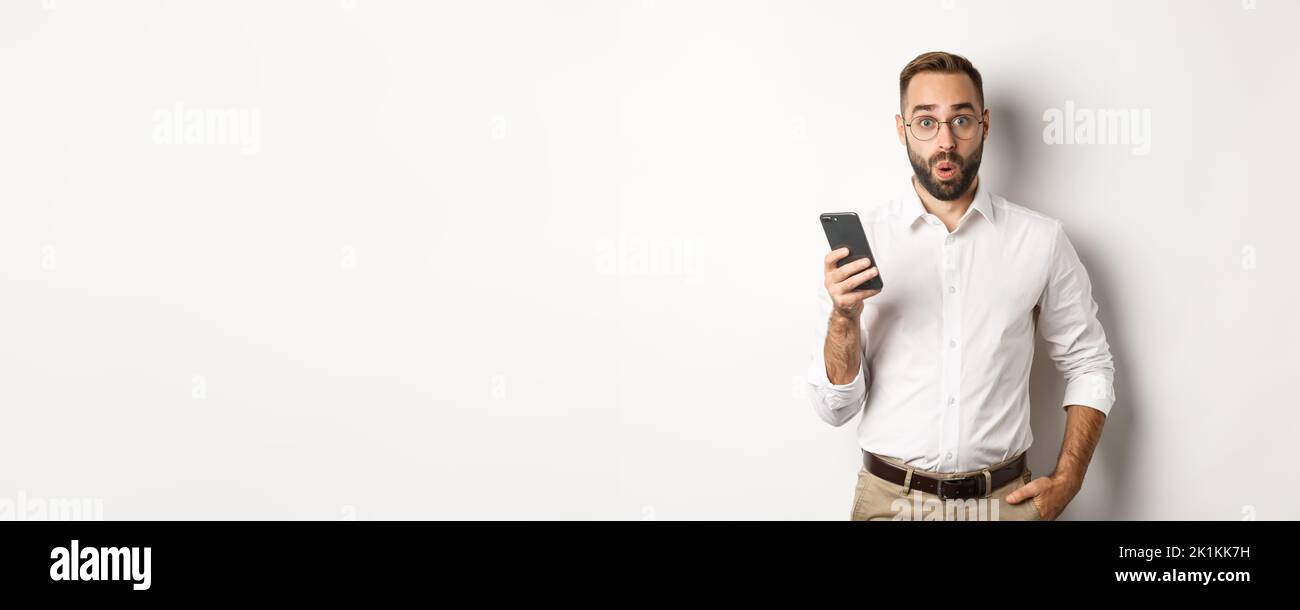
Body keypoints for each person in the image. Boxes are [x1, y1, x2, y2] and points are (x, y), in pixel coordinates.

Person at [807, 51, 1115, 521]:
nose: (945, 141)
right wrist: (843, 317)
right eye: (926, 122)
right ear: (902, 129)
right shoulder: (867, 242)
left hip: (1004, 505)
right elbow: (835, 410)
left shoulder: (1041, 240)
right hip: (890, 504)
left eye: (962, 120)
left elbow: (1089, 363)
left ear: (985, 125)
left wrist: (1068, 480)